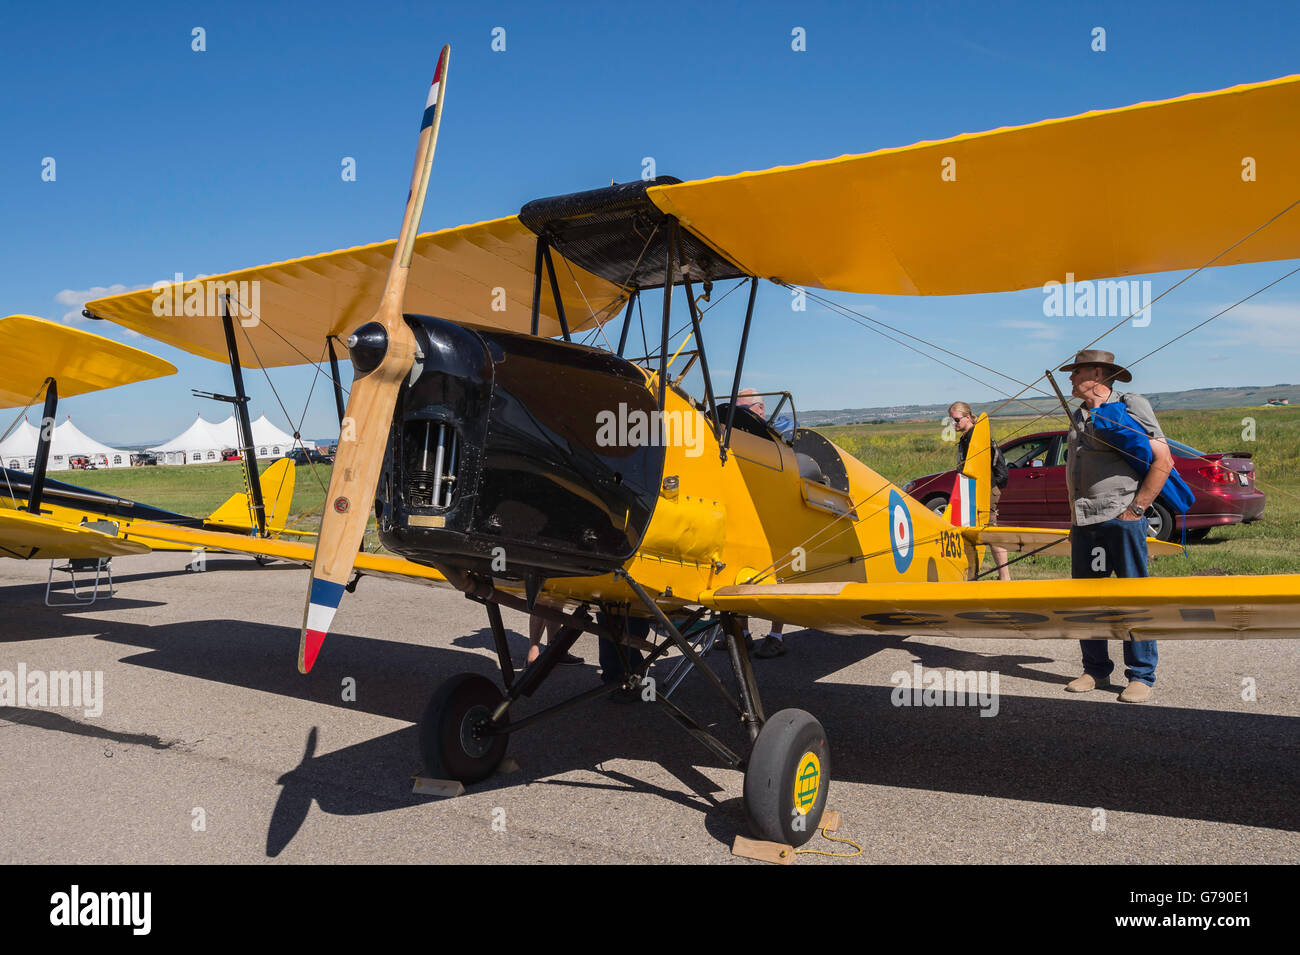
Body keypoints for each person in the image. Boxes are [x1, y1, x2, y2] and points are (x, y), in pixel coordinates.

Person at [1059, 349, 1173, 703]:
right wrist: (1073, 517)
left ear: (1096, 373)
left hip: (1121, 517)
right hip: (1086, 521)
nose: (1071, 379)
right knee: (1088, 599)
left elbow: (1163, 459)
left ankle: (1141, 675)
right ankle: (1094, 669)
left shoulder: (1131, 404)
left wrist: (1137, 510)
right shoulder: (1078, 414)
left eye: (1076, 372)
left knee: (1133, 595)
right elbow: (1073, 473)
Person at [948, 402, 1011, 581]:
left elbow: (999, 467)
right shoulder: (966, 437)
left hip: (986, 488)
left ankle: (1005, 577)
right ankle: (971, 573)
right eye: (952, 420)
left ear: (968, 417)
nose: (954, 424)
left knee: (990, 529)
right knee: (972, 531)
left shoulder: (978, 437)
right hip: (972, 489)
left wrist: (994, 487)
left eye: (957, 419)